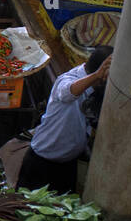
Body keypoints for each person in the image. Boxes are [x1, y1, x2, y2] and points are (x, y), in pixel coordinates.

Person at [17, 47, 113, 195]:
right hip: (42, 161)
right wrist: (97, 76)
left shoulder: (99, 88)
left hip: (68, 163)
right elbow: (68, 92)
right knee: (26, 205)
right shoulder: (67, 80)